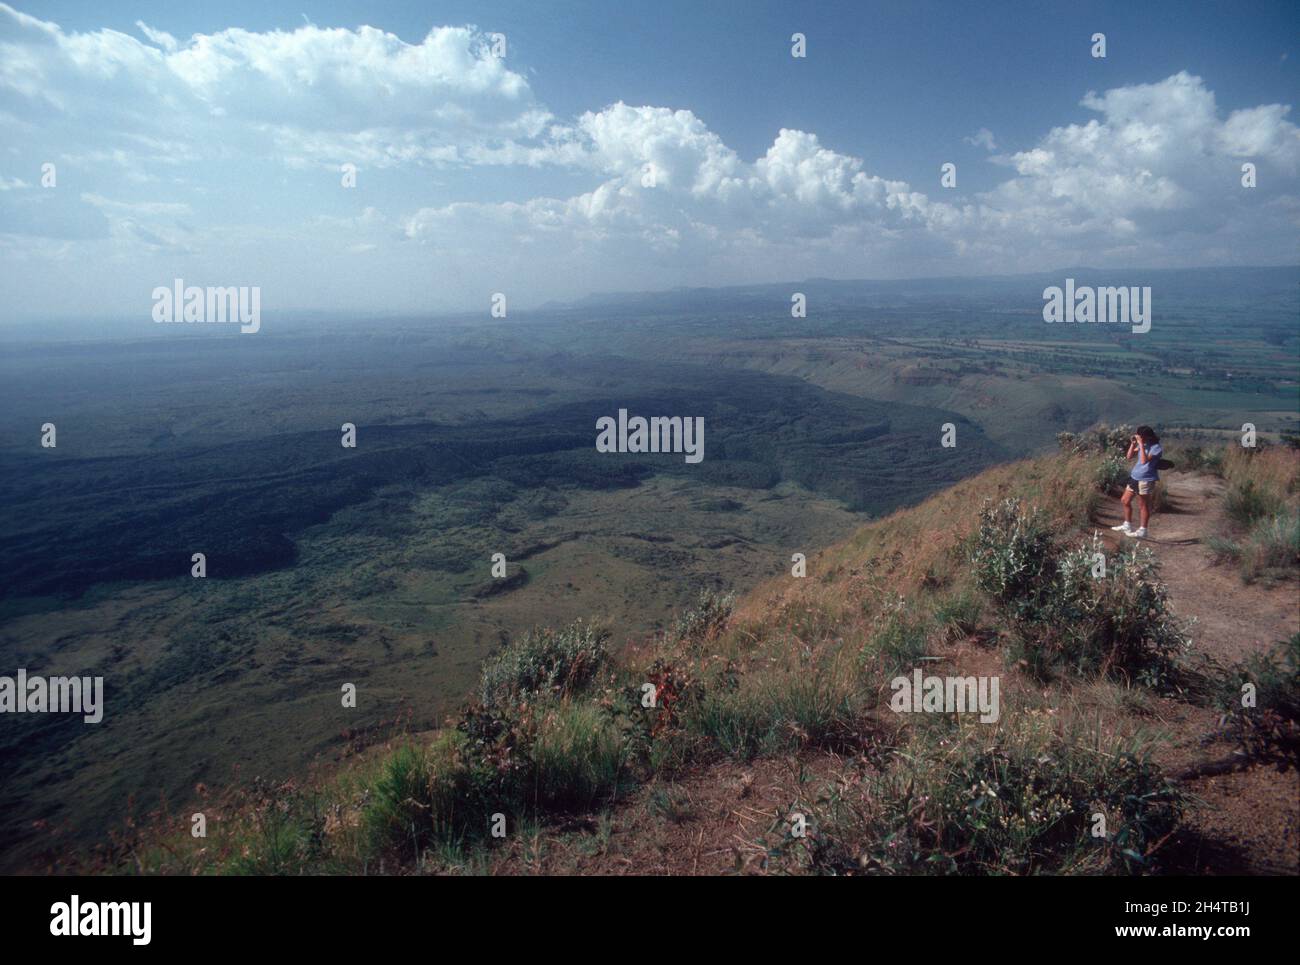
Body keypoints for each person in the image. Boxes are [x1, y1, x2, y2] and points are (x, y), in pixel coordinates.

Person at [1112, 426, 1162, 539]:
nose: (1139, 437)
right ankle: (1127, 525)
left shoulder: (1156, 448)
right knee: (1125, 500)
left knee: (1143, 505)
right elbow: (1129, 456)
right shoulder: (1142, 444)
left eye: (1140, 436)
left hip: (1146, 479)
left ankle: (1143, 530)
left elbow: (1144, 461)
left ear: (1146, 436)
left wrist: (1140, 444)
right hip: (1135, 476)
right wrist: (1133, 444)